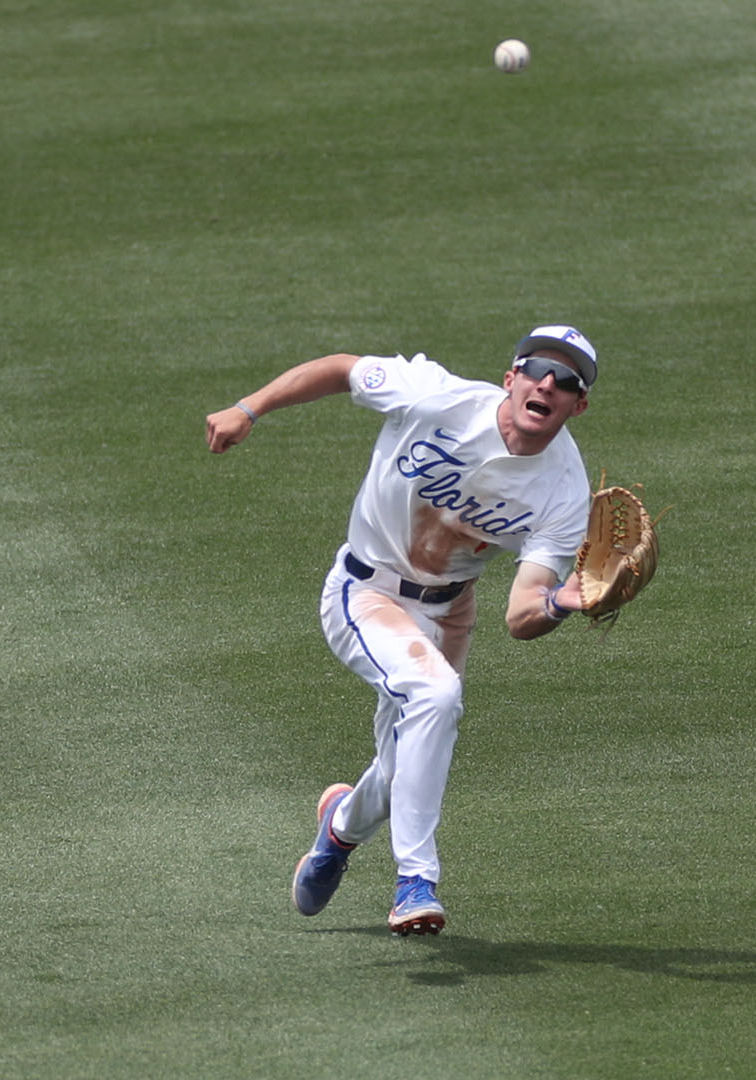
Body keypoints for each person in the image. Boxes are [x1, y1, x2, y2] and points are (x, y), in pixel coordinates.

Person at [204, 325, 601, 936]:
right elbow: (341, 367)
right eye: (537, 368)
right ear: (511, 378)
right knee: (436, 696)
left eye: (567, 380)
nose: (548, 383)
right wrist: (248, 408)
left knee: (404, 764)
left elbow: (520, 615)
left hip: (450, 613)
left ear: (579, 403)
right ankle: (416, 880)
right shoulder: (435, 396)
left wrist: (560, 602)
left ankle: (338, 828)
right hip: (365, 590)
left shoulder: (565, 492)